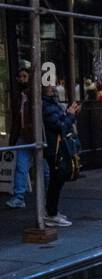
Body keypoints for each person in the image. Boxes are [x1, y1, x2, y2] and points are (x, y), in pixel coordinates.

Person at [40, 85, 80, 227]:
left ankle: (52, 211)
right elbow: (60, 126)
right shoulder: (47, 105)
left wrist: (69, 114)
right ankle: (51, 213)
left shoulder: (49, 104)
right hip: (54, 147)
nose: (53, 87)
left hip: (54, 146)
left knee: (56, 179)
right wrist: (70, 115)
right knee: (56, 179)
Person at [6, 64, 34, 209]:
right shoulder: (18, 97)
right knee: (21, 167)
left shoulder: (32, 95)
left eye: (25, 76)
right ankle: (19, 197)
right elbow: (17, 120)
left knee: (45, 169)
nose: (22, 79)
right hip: (24, 136)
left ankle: (48, 196)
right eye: (20, 77)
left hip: (35, 136)